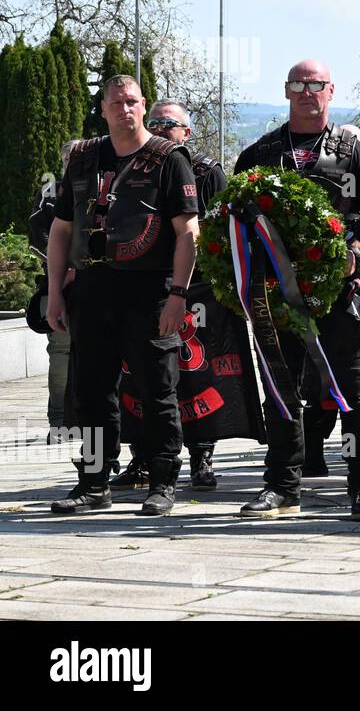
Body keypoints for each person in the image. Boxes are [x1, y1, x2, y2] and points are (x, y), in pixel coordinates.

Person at [234, 60, 360, 521]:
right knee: (281, 388)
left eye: (316, 85)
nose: (308, 92)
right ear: (286, 91)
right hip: (275, 293)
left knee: (355, 388)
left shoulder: (354, 151)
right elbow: (230, 224)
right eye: (298, 85)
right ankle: (281, 487)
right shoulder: (260, 153)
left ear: (331, 91)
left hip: (338, 290)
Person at [45, 75, 199, 515]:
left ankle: (163, 480)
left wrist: (178, 295)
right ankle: (93, 483)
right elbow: (61, 231)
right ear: (104, 107)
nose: (125, 109)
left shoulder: (169, 159)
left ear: (143, 104)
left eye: (132, 101)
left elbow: (187, 232)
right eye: (117, 102)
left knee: (157, 389)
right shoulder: (82, 159)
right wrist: (55, 293)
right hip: (92, 290)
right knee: (91, 391)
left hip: (149, 291)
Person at [118, 99, 227, 492]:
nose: (163, 128)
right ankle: (143, 459)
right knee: (142, 377)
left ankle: (202, 458)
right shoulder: (135, 163)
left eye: (171, 123)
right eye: (157, 122)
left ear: (188, 131)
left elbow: (221, 227)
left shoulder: (206, 171)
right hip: (149, 285)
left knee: (197, 375)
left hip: (197, 287)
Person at [28, 142, 76, 442]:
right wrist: (64, 267)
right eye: (72, 157)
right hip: (59, 287)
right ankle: (59, 421)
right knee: (61, 353)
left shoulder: (104, 186)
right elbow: (37, 236)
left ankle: (100, 422)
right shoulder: (51, 191)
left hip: (100, 286)